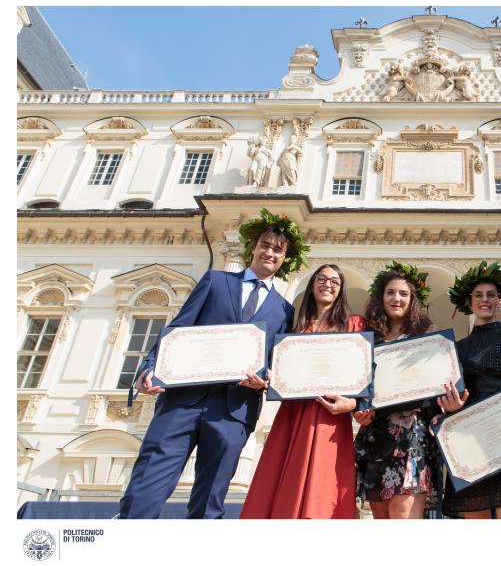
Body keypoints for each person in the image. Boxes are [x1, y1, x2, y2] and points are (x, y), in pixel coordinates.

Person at [118, 208, 308, 519]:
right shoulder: (215, 281)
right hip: (183, 399)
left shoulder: (284, 310)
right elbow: (178, 328)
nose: (269, 253)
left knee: (210, 500)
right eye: (265, 245)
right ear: (253, 248)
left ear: (284, 258)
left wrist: (267, 380)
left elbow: (274, 362)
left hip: (234, 410)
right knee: (146, 486)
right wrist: (150, 366)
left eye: (278, 249)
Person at [240, 264, 366, 518]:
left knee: (324, 480)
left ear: (341, 290)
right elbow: (279, 366)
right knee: (284, 476)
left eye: (334, 281)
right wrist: (269, 378)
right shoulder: (296, 327)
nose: (327, 284)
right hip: (294, 411)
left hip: (330, 413)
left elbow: (364, 374)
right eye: (321, 279)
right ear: (312, 285)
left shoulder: (354, 324)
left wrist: (354, 403)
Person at [440, 261, 501, 519]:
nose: (485, 300)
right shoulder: (456, 347)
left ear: (500, 300)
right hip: (471, 444)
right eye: (479, 295)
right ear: (469, 302)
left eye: (491, 295)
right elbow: (456, 395)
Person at [353, 261, 440, 519]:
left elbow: (436, 379)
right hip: (375, 436)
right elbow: (359, 383)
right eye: (390, 292)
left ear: (412, 299)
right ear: (381, 297)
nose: (396, 298)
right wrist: (359, 409)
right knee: (381, 520)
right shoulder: (368, 337)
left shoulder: (426, 333)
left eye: (403, 293)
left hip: (412, 437)